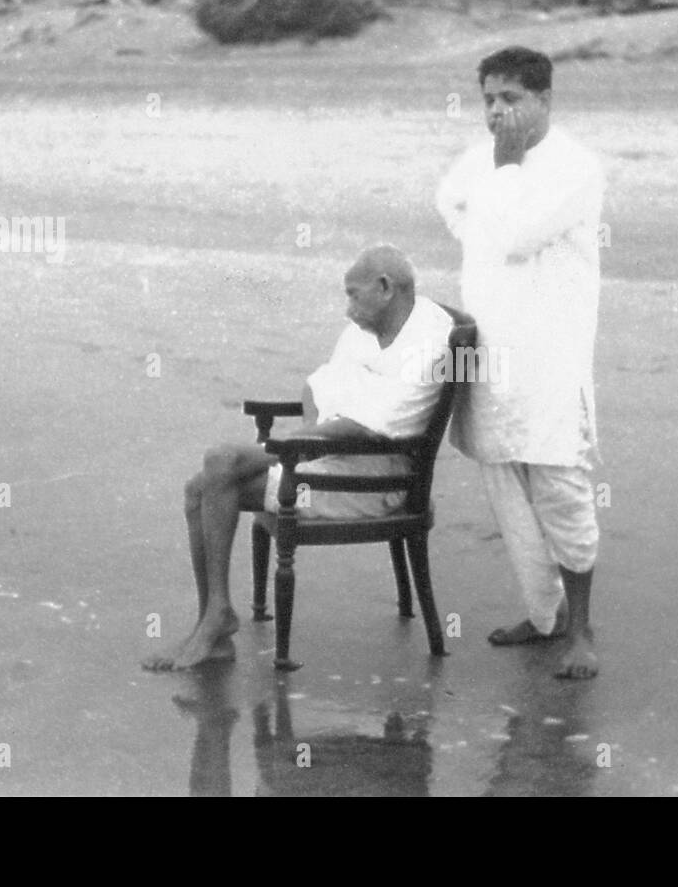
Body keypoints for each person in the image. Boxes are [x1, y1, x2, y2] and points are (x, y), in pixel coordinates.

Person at [143, 245, 453, 671]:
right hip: (330, 469)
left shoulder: (429, 344)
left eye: (353, 294)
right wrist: (307, 439)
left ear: (385, 288)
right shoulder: (373, 326)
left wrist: (298, 444)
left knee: (220, 463)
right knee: (203, 485)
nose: (348, 309)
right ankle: (212, 619)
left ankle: (216, 621)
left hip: (370, 486)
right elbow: (321, 386)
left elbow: (369, 426)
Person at [436, 46, 605, 680]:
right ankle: (544, 615)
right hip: (492, 347)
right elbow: (449, 201)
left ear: (544, 101)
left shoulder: (575, 167)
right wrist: (488, 212)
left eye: (511, 99)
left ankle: (580, 630)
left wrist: (504, 176)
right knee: (505, 481)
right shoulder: (480, 158)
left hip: (550, 356)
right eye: (488, 100)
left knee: (560, 485)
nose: (496, 112)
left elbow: (518, 236)